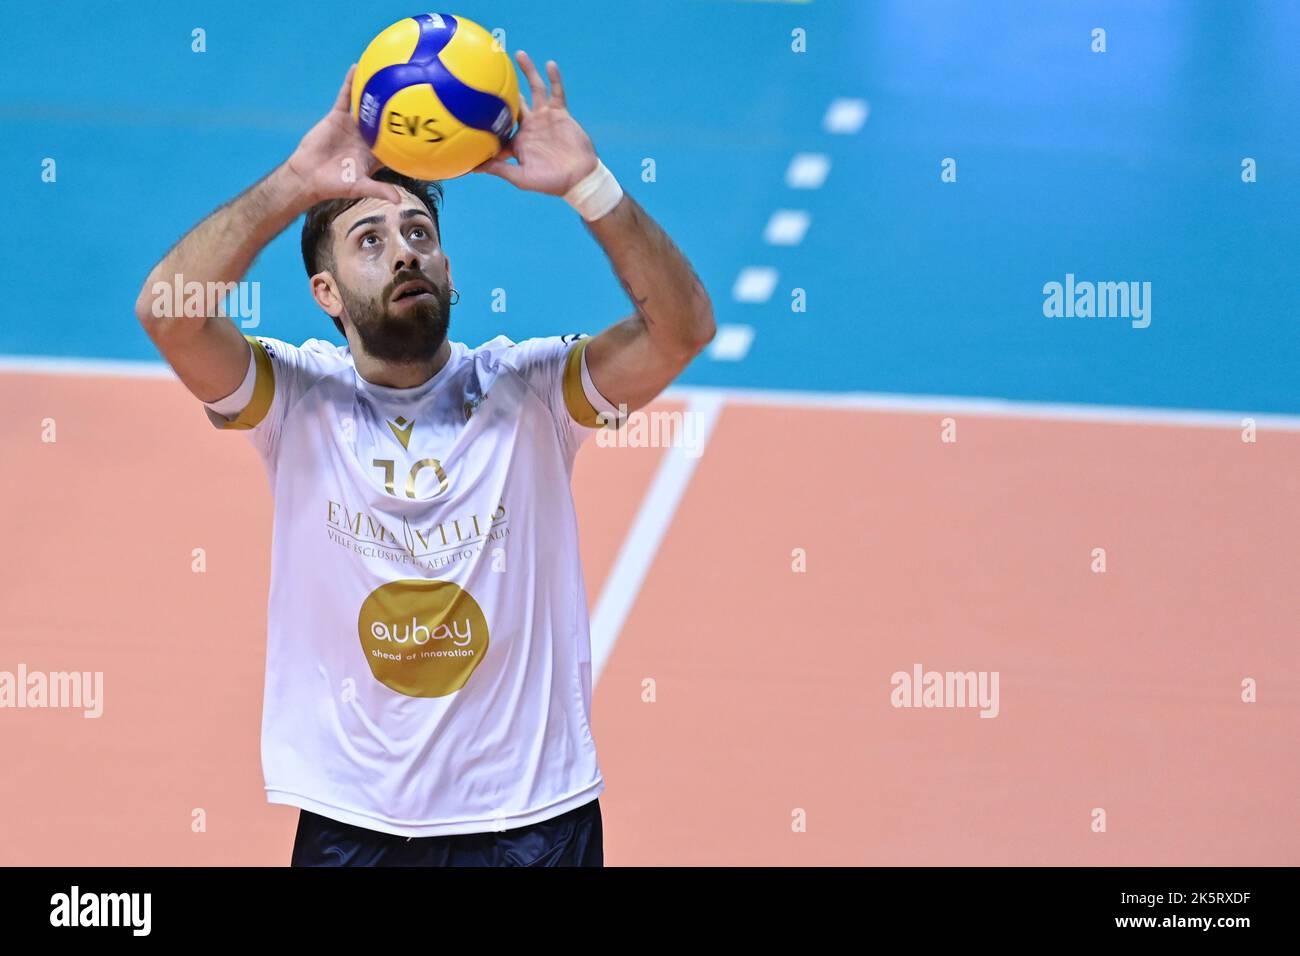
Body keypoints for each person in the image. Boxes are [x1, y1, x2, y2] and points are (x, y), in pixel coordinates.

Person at [133, 50, 714, 866]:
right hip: (354, 823)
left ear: (450, 270)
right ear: (326, 294)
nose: (405, 251)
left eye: (420, 234)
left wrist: (593, 188)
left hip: (531, 821)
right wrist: (294, 184)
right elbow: (167, 313)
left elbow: (682, 331)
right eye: (369, 239)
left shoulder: (531, 390)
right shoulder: (298, 401)